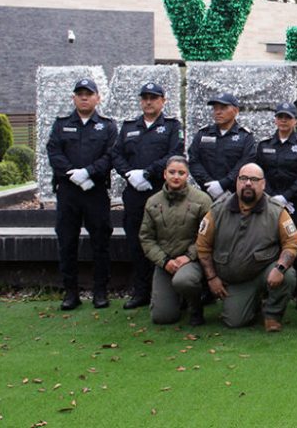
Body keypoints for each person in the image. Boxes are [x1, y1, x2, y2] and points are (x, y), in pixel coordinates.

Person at [183, 163, 297, 331]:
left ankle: (272, 315)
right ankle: (253, 304)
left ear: (263, 184)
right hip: (233, 280)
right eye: (243, 178)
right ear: (237, 182)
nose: (248, 183)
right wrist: (212, 278)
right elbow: (203, 247)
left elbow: (292, 242)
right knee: (235, 321)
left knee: (288, 275)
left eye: (254, 179)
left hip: (262, 273)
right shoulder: (217, 210)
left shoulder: (277, 211)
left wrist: (280, 268)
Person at [110, 82, 185, 310]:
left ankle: (167, 293)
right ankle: (141, 292)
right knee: (137, 241)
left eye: (153, 98)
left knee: (166, 240)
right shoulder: (129, 126)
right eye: (145, 98)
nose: (148, 102)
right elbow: (116, 154)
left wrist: (147, 172)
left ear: (163, 101)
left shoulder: (172, 126)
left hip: (161, 192)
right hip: (134, 192)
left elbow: (175, 154)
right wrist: (129, 174)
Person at [46, 77, 118, 310]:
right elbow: (54, 152)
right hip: (68, 192)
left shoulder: (107, 126)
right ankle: (70, 293)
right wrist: (71, 173)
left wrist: (88, 172)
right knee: (67, 242)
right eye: (80, 93)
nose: (84, 97)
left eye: (89, 93)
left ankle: (100, 292)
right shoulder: (61, 124)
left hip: (95, 191)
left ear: (98, 98)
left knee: (100, 242)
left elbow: (111, 156)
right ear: (73, 98)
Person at [138, 156, 211, 325]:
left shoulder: (202, 200)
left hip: (192, 260)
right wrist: (164, 261)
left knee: (183, 281)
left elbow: (207, 236)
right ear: (164, 174)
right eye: (172, 172)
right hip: (165, 261)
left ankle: (195, 306)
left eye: (181, 173)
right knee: (162, 317)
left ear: (187, 175)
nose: (176, 176)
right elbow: (146, 237)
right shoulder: (153, 202)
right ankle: (176, 299)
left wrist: (189, 256)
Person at [256, 101, 297, 310]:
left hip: (295, 203)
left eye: (287, 117)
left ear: (295, 121)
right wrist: (272, 197)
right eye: (280, 116)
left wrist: (287, 196)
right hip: (269, 202)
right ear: (275, 119)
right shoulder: (264, 144)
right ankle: (269, 290)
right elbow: (260, 172)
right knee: (270, 244)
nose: (283, 120)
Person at [188, 92, 256, 201]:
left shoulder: (245, 136)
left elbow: (245, 163)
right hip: (206, 195)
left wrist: (223, 184)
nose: (218, 112)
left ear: (236, 111)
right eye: (215, 108)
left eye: (223, 108)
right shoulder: (203, 134)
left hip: (235, 195)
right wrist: (209, 185)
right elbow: (194, 160)